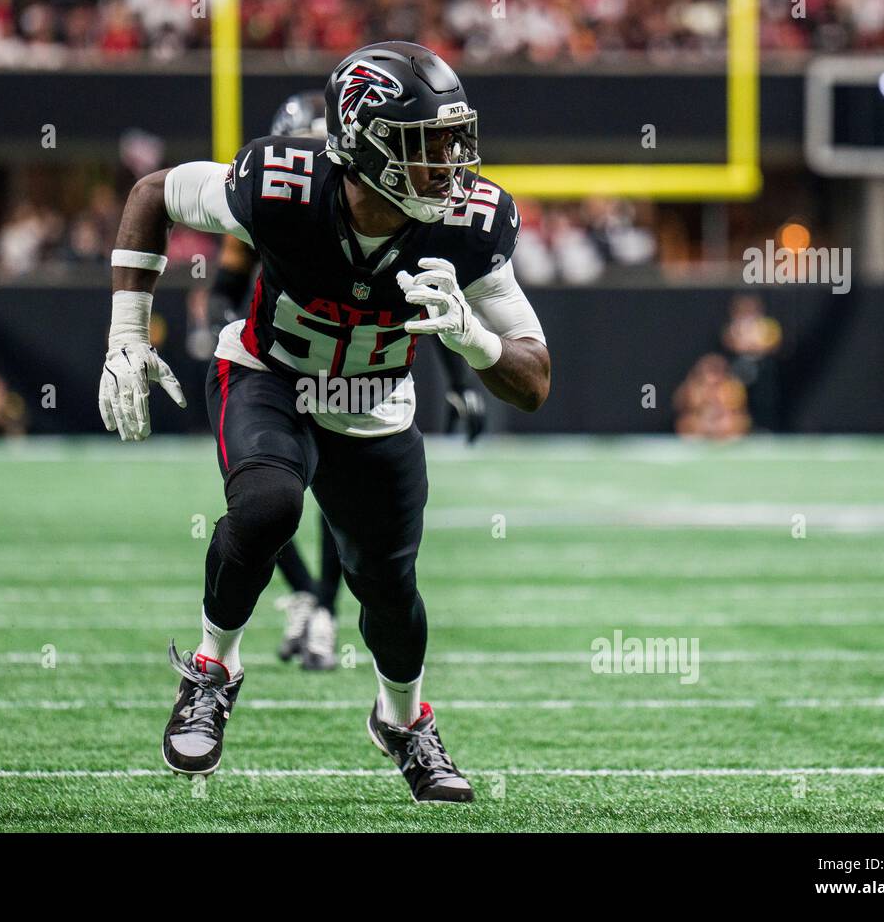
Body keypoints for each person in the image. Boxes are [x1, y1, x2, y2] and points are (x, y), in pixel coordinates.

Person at [97, 41, 550, 803]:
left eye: (451, 141)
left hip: (374, 402)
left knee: (389, 588)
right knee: (268, 504)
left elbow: (534, 379)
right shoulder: (282, 185)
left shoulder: (471, 221)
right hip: (270, 374)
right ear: (362, 143)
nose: (448, 164)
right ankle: (213, 670)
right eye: (424, 144)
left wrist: (473, 337)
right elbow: (153, 193)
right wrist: (126, 336)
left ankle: (403, 722)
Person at [209, 90, 487, 673]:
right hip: (283, 367)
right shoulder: (277, 201)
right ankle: (306, 602)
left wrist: (464, 372)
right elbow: (224, 285)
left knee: (349, 521)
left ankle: (325, 609)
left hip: (359, 385)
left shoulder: (408, 213)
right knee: (267, 498)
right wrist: (224, 333)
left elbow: (426, 308)